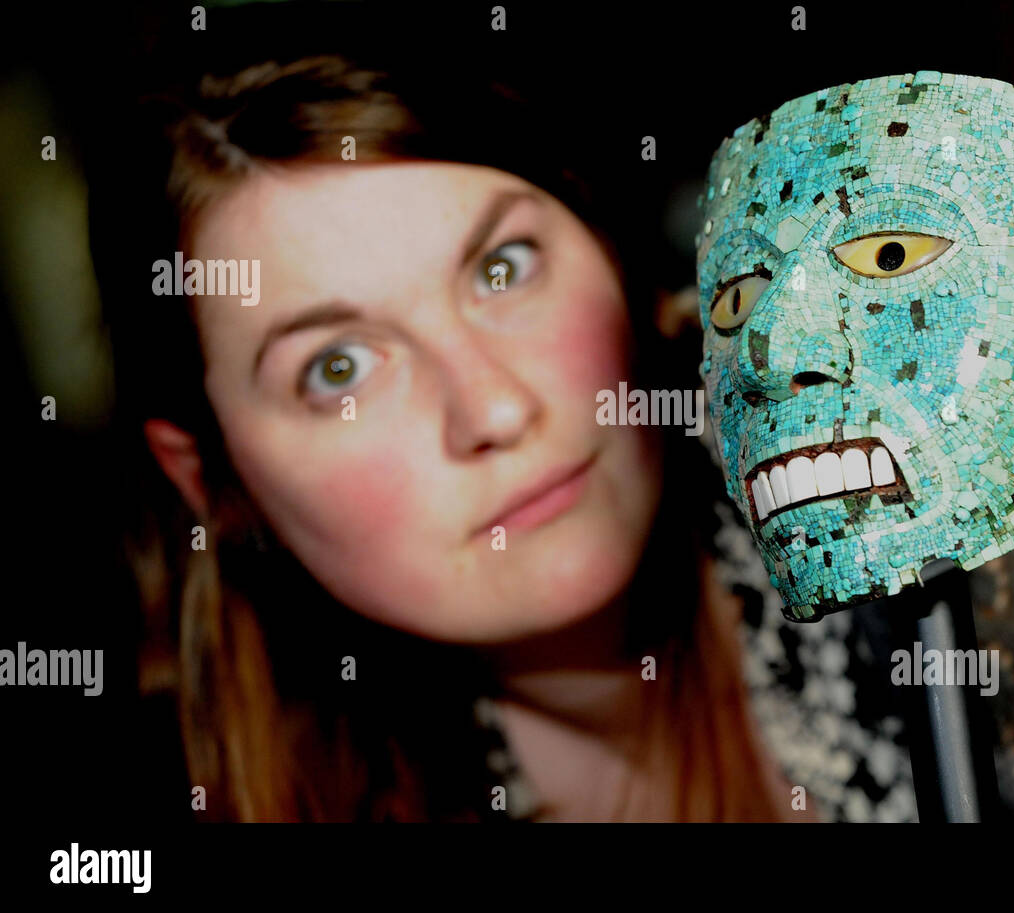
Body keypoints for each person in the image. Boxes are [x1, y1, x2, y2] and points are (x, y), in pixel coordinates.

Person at [87, 54, 815, 822]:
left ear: (611, 249)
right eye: (337, 369)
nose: (495, 410)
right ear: (212, 482)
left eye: (503, 267)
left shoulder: (896, 470)